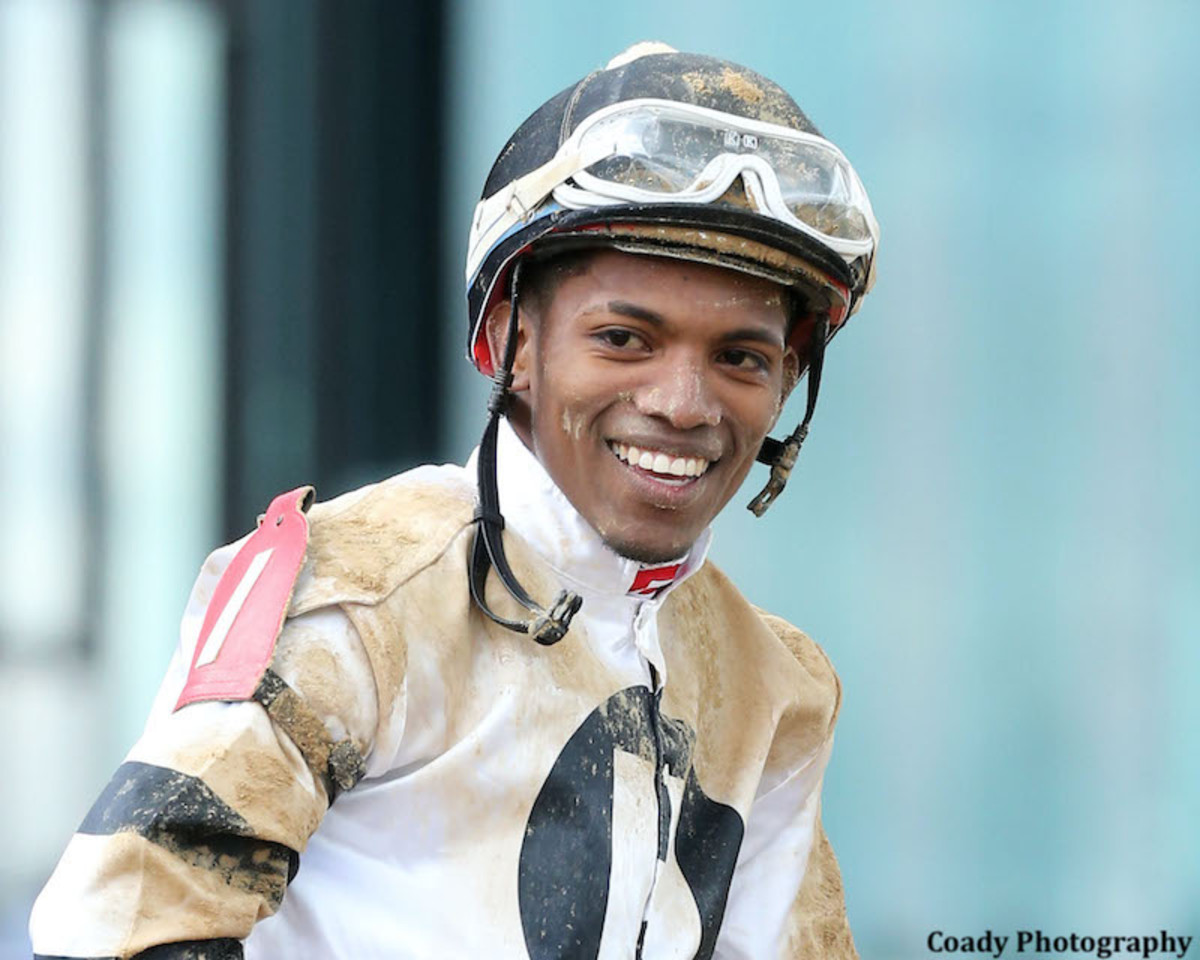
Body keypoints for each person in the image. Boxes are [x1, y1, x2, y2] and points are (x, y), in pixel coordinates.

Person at [30, 41, 878, 959]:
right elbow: (116, 930)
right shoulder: (358, 592)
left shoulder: (779, 687)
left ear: (786, 383)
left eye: (741, 358)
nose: (684, 404)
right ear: (510, 343)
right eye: (625, 339)